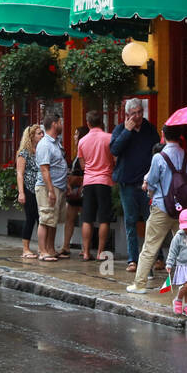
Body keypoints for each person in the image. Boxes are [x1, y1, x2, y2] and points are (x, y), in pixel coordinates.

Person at [128, 124, 187, 293]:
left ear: (163, 135)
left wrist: (149, 190)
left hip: (162, 207)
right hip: (183, 210)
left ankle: (140, 284)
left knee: (150, 246)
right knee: (186, 247)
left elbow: (151, 183)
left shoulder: (159, 157)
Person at [111, 99, 160, 273]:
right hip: (128, 183)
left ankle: (156, 257)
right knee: (130, 220)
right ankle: (133, 259)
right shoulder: (120, 129)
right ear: (127, 115)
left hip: (148, 183)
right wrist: (127, 131)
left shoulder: (149, 128)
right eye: (134, 113)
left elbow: (157, 151)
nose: (138, 116)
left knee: (152, 221)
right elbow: (114, 150)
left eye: (140, 112)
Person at [77, 111, 115, 263]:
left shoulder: (82, 141)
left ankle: (86, 252)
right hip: (105, 180)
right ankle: (100, 252)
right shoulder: (109, 138)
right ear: (102, 122)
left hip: (89, 181)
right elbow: (114, 159)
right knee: (104, 218)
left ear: (88, 123)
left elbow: (82, 165)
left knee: (87, 218)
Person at [35, 112, 69, 262]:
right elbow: (44, 169)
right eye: (60, 122)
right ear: (54, 124)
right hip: (47, 187)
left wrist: (65, 183)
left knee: (53, 220)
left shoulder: (56, 142)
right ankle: (42, 250)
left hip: (58, 186)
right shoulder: (44, 144)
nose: (62, 125)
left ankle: (50, 249)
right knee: (45, 218)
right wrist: (50, 190)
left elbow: (59, 164)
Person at [16, 124, 44, 259]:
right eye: (39, 133)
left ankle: (41, 247)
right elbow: (20, 173)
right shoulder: (24, 153)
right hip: (29, 188)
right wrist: (21, 192)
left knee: (41, 218)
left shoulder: (40, 151)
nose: (42, 135)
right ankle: (25, 248)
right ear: (32, 136)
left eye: (42, 133)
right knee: (30, 218)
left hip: (40, 188)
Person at [62, 125, 86, 257]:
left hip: (81, 188)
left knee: (84, 219)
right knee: (69, 218)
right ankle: (66, 245)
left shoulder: (84, 151)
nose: (74, 136)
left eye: (76, 134)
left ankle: (84, 248)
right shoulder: (77, 152)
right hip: (73, 189)